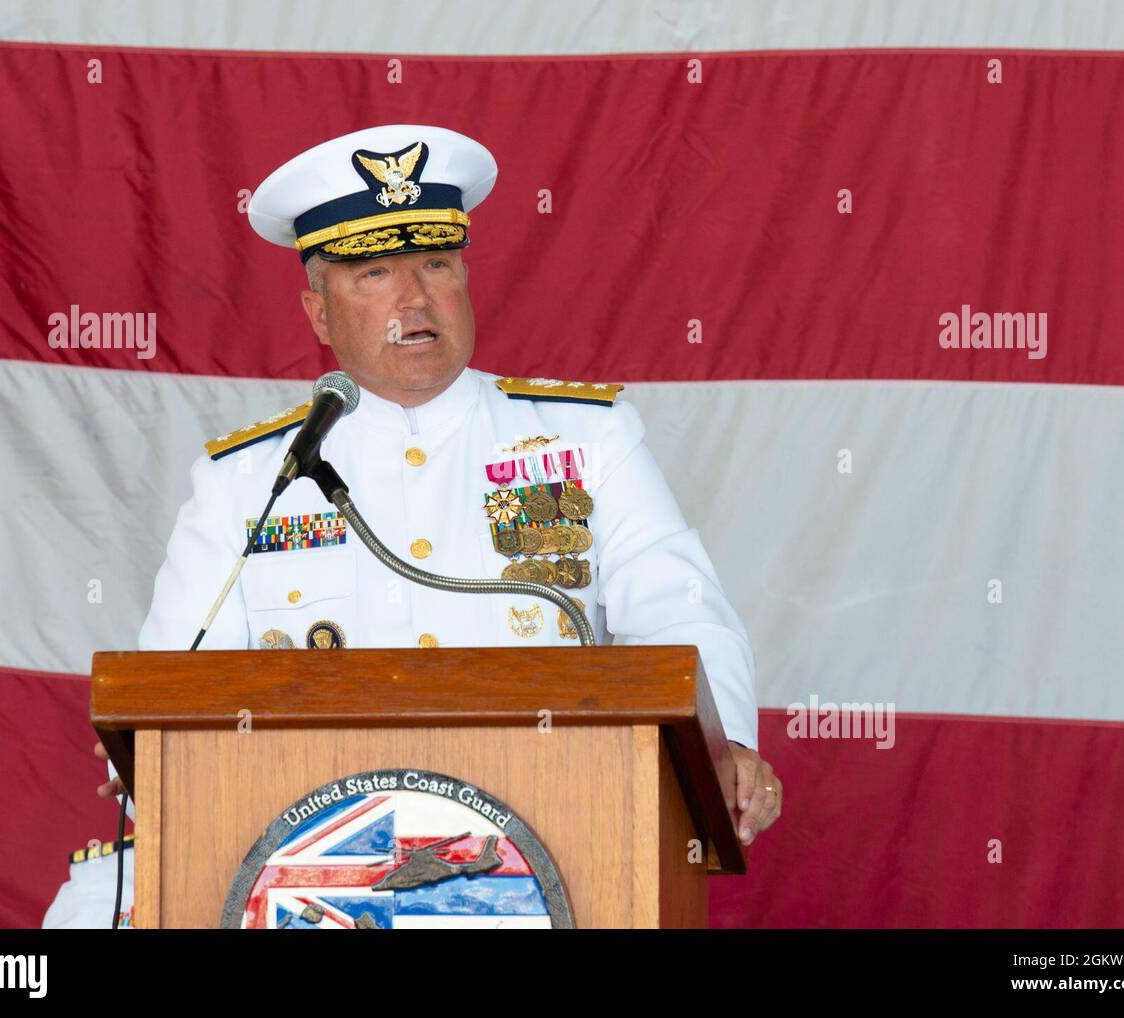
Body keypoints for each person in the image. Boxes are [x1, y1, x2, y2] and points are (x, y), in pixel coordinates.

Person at [97, 124, 781, 852]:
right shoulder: (247, 482)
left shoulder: (587, 439)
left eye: (436, 264)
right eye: (374, 276)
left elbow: (681, 610)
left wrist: (725, 746)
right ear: (319, 314)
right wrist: (147, 753)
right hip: (320, 859)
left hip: (557, 840)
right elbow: (177, 693)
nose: (414, 301)